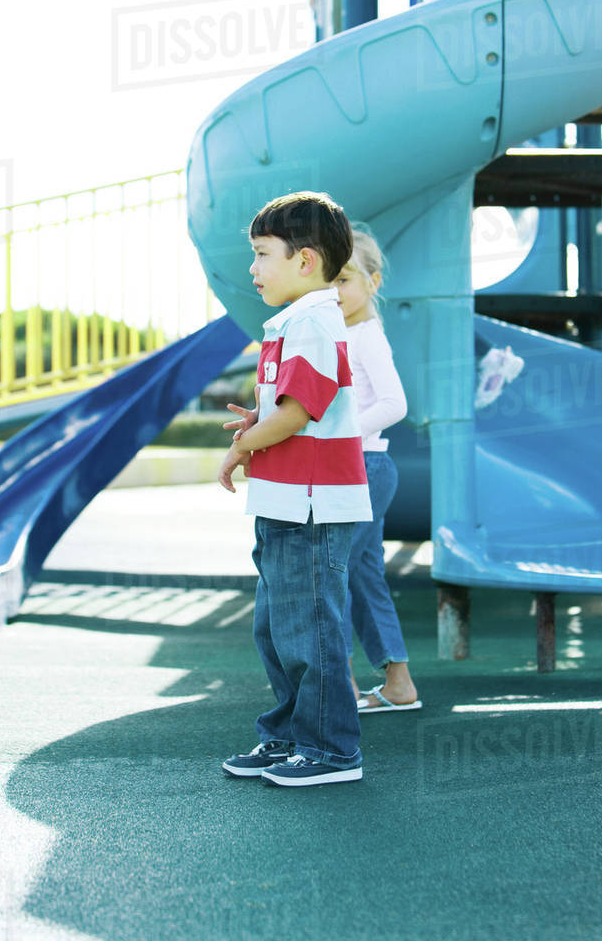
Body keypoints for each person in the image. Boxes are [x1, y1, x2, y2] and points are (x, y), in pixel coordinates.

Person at [217, 191, 372, 787]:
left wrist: (244, 445)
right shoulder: (294, 320)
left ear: (304, 260)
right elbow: (290, 406)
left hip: (311, 505)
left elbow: (299, 412)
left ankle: (331, 750)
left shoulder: (311, 320)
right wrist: (259, 421)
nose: (253, 267)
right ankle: (288, 736)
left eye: (262, 254)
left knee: (308, 629)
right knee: (278, 629)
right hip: (287, 500)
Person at [335, 229, 421, 713]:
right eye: (328, 281)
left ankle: (340, 685)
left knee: (332, 571)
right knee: (363, 574)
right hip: (362, 467)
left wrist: (341, 435)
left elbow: (394, 404)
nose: (335, 291)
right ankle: (398, 684)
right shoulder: (343, 334)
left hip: (363, 468)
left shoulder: (366, 336)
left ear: (373, 281)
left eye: (344, 279)